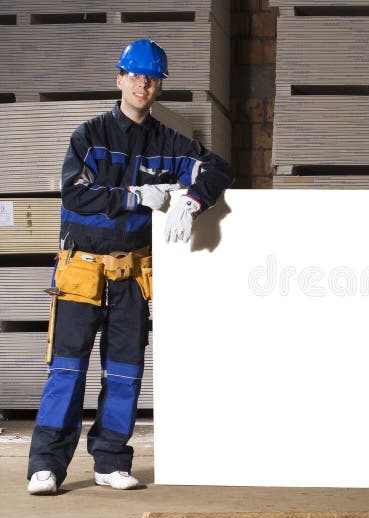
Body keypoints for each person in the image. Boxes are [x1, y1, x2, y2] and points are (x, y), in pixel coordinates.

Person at [27, 39, 233, 494]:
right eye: (135, 75)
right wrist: (137, 195)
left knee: (124, 372)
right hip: (81, 271)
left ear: (159, 86)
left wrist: (194, 199)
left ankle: (111, 460)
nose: (142, 83)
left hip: (132, 277)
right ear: (119, 79)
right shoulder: (90, 136)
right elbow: (74, 194)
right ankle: (46, 465)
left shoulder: (169, 143)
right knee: (66, 370)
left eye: (151, 77)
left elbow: (218, 168)